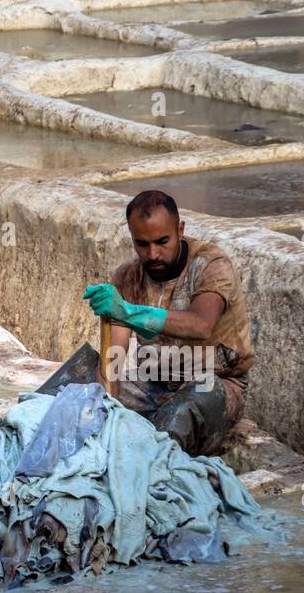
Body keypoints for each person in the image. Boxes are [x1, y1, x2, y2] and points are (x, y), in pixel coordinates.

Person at [81, 189, 255, 456]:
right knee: (76, 396)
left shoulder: (211, 264)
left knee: (176, 421)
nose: (152, 254)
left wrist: (127, 311)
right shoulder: (128, 276)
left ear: (180, 230)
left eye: (162, 241)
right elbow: (113, 361)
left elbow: (201, 324)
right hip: (154, 382)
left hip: (215, 382)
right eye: (142, 244)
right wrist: (106, 410)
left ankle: (147, 478)